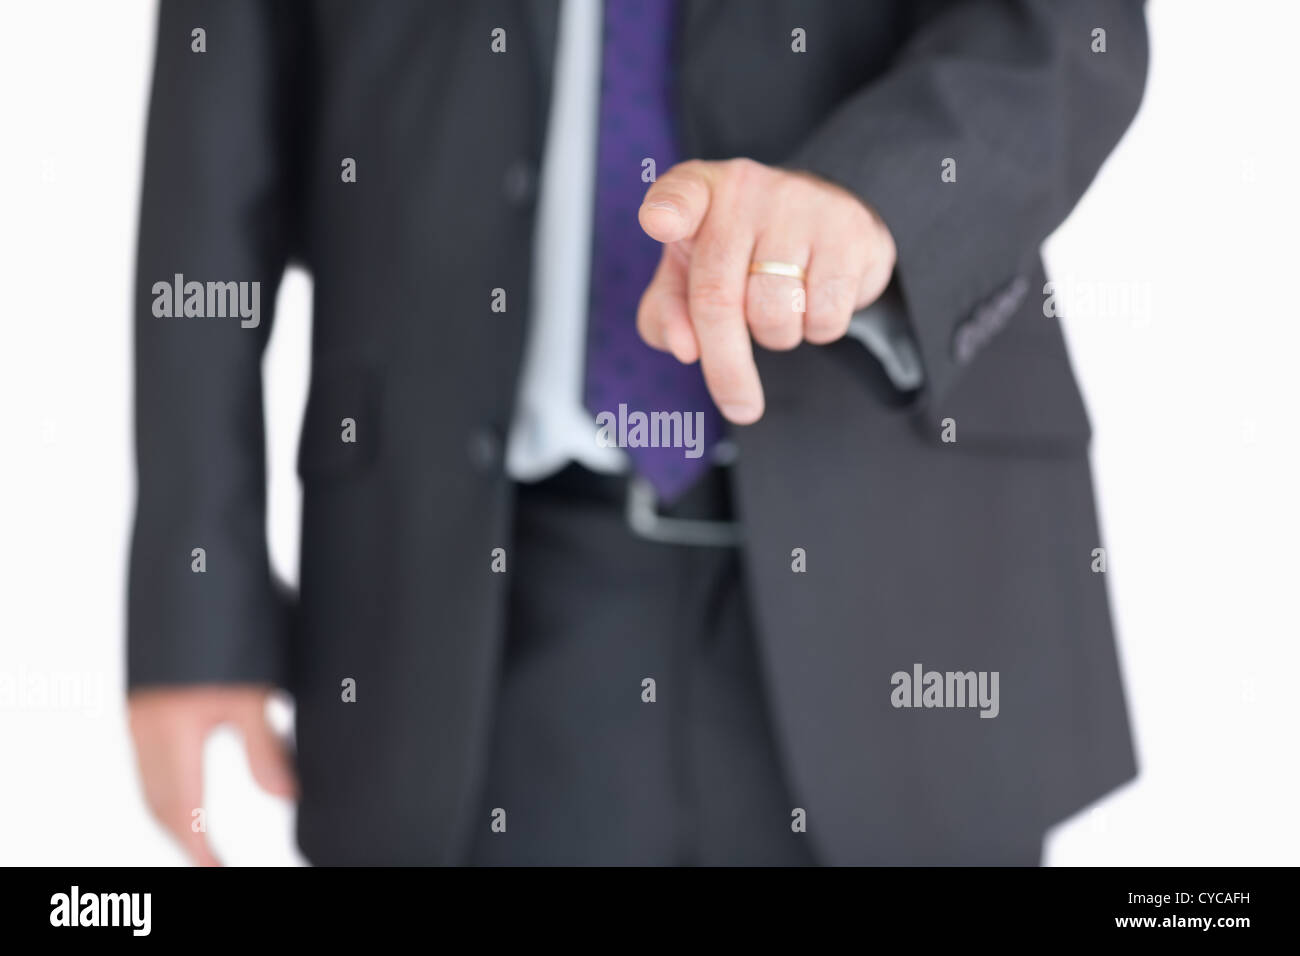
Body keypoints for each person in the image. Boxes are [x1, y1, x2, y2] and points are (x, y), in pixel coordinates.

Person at [128, 0, 1148, 865]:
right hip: (465, 602)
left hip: (906, 567)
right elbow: (212, 147)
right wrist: (193, 593)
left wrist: (878, 197)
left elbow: (1064, 24)